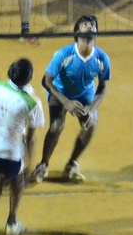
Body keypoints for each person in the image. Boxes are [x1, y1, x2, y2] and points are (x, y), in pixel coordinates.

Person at [35, 15, 111, 183]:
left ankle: (72, 164)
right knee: (56, 126)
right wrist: (66, 103)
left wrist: (91, 108)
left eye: (92, 25)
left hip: (85, 95)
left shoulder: (102, 58)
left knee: (91, 123)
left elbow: (103, 86)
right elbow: (46, 81)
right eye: (84, 25)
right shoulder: (64, 54)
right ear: (77, 33)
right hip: (60, 92)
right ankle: (43, 164)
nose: (89, 27)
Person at [0, 58, 46, 235]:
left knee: (0, 176)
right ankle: (12, 223)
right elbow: (30, 138)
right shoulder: (33, 102)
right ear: (30, 78)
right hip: (8, 159)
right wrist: (31, 163)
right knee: (17, 177)